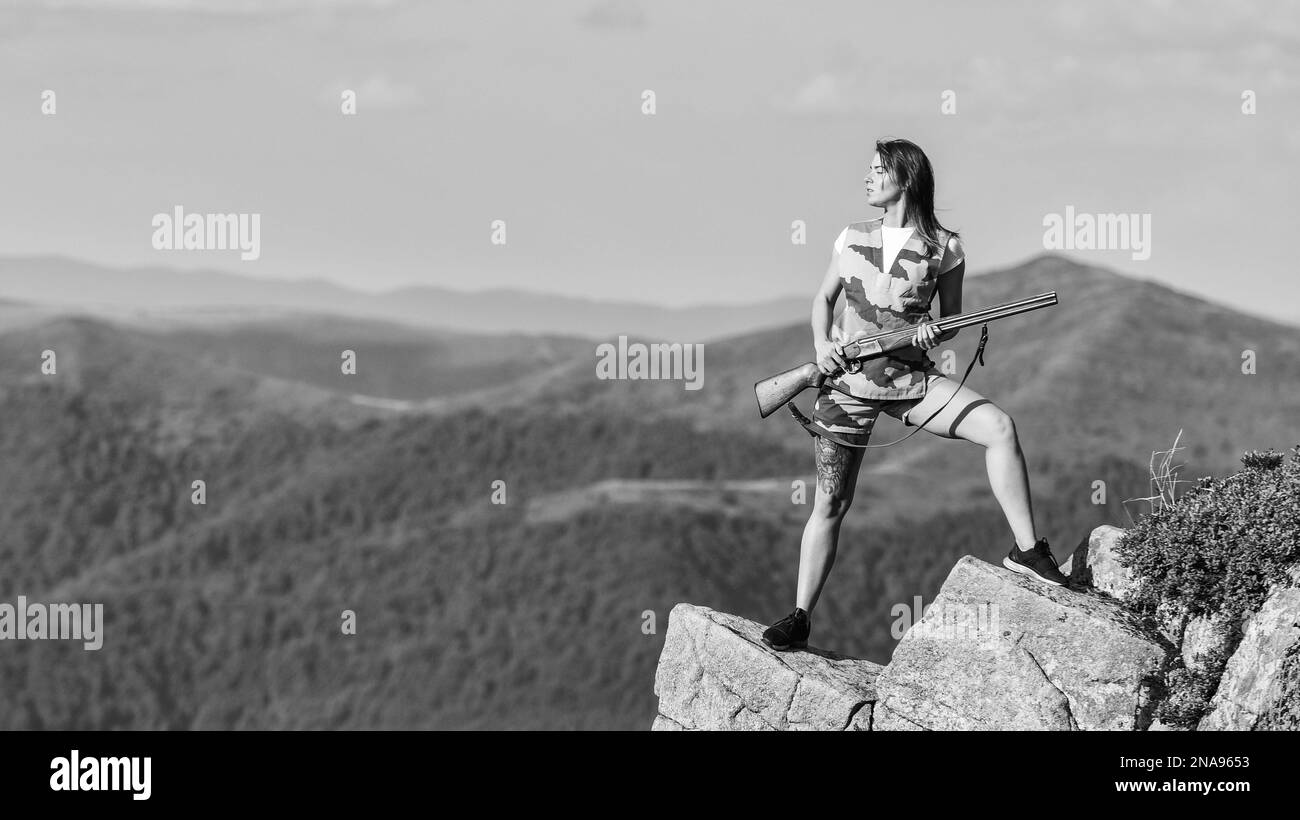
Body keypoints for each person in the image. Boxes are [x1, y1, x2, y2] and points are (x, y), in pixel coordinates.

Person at [761, 138, 1068, 652]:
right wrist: (822, 346)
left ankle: (1027, 551)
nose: (867, 176)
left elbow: (949, 322)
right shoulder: (851, 236)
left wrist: (935, 334)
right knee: (831, 503)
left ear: (904, 178)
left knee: (1000, 429)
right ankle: (798, 618)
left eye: (877, 169)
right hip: (845, 387)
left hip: (910, 384)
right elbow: (823, 300)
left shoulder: (946, 247)